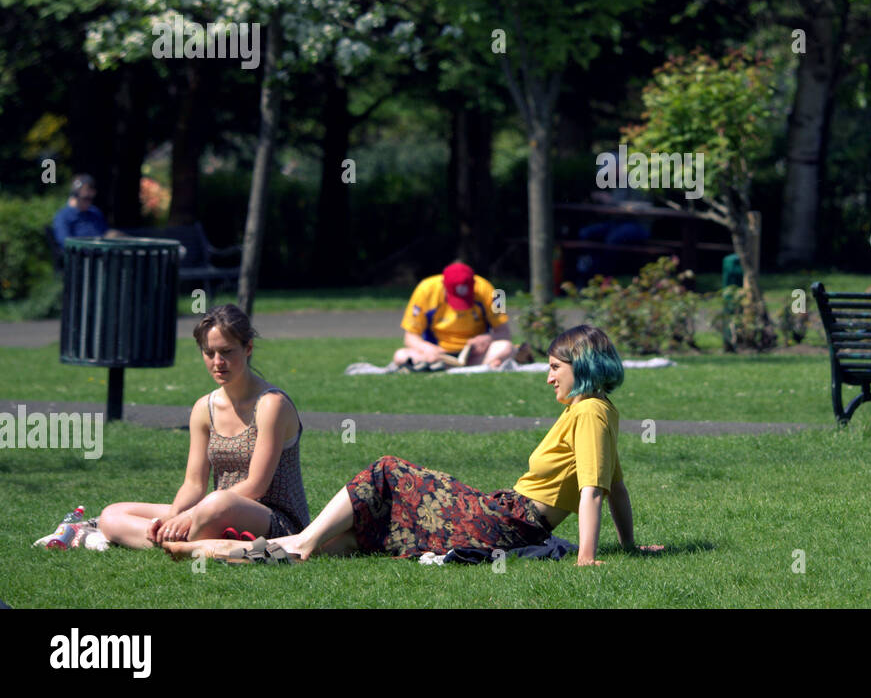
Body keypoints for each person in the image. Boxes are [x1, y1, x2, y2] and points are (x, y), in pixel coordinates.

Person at [165, 325, 664, 567]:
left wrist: (587, 558)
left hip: (512, 523)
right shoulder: (594, 412)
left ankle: (298, 544)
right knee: (354, 538)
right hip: (505, 513)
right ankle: (204, 551)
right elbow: (617, 489)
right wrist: (630, 547)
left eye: (556, 366)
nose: (548, 375)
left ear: (584, 366)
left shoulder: (592, 412)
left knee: (387, 472)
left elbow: (596, 491)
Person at [96, 305, 310, 548]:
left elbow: (256, 485)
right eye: (209, 353)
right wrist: (175, 515)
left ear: (248, 348)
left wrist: (191, 515)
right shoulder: (203, 408)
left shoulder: (272, 404)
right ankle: (187, 539)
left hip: (274, 519)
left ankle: (183, 540)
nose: (218, 362)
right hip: (212, 511)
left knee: (217, 503)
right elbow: (194, 484)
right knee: (112, 514)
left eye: (227, 352)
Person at [391, 261, 517, 370]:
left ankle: (444, 368)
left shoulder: (494, 291)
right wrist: (427, 348)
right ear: (444, 284)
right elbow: (410, 337)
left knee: (506, 348)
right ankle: (481, 366)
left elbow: (505, 333)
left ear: (474, 283)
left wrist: (488, 338)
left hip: (474, 353)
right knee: (401, 356)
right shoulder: (424, 289)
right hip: (438, 353)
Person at [51, 174, 111, 248]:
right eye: (86, 198)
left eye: (90, 198)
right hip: (80, 256)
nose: (89, 201)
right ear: (75, 195)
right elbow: (65, 243)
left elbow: (105, 234)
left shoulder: (95, 212)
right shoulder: (63, 216)